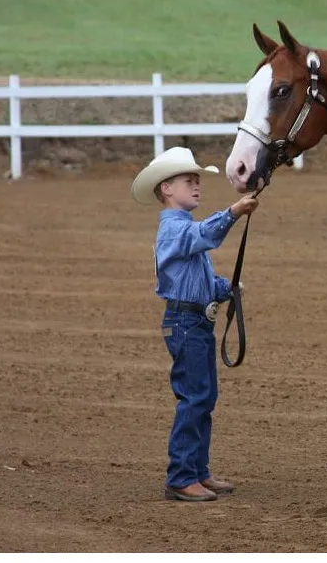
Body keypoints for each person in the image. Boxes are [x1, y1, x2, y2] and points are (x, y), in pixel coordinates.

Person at [131, 146, 259, 502]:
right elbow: (204, 236)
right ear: (166, 189)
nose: (197, 186)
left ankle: (197, 472)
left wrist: (224, 288)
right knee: (195, 398)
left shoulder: (181, 229)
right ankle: (182, 476)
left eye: (197, 180)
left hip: (193, 322)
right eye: (189, 181)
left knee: (202, 397)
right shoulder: (176, 230)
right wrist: (233, 212)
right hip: (187, 323)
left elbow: (198, 276)